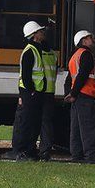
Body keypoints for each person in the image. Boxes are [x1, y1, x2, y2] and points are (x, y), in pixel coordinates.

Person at [10, 20, 57, 161]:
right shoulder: (30, 51)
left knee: (34, 123)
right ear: (34, 35)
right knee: (26, 123)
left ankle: (30, 151)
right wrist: (31, 90)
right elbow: (26, 75)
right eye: (40, 31)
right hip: (30, 92)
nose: (43, 33)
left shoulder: (37, 49)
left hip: (37, 92)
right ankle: (21, 152)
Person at [64, 30, 95, 163]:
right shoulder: (86, 54)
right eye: (90, 38)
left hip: (77, 96)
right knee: (88, 127)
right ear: (83, 40)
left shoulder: (75, 56)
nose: (92, 40)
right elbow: (83, 75)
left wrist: (70, 94)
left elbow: (69, 79)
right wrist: (73, 93)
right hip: (85, 95)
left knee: (76, 127)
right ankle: (90, 155)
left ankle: (76, 155)